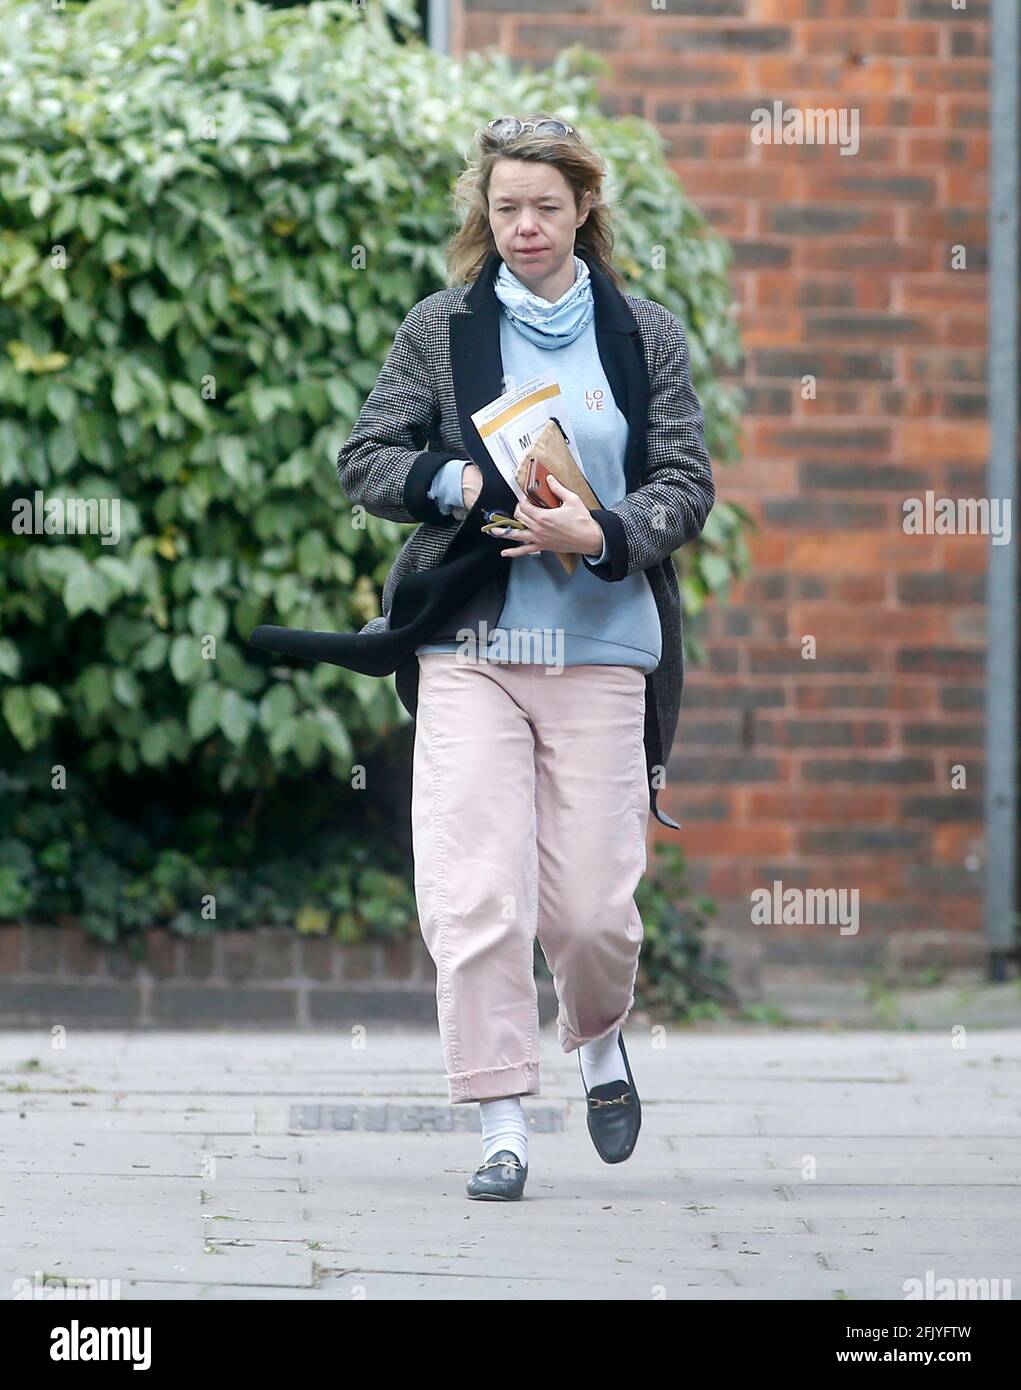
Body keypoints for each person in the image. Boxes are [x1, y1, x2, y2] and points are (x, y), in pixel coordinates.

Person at [249, 113, 715, 1202]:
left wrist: (598, 535)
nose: (524, 226)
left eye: (545, 207)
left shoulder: (642, 333)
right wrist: (458, 484)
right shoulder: (441, 327)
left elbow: (684, 483)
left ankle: (598, 1037)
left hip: (603, 647)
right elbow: (367, 459)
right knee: (474, 894)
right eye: (505, 207)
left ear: (583, 210)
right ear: (484, 211)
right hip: (471, 644)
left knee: (593, 912)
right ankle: (499, 1121)